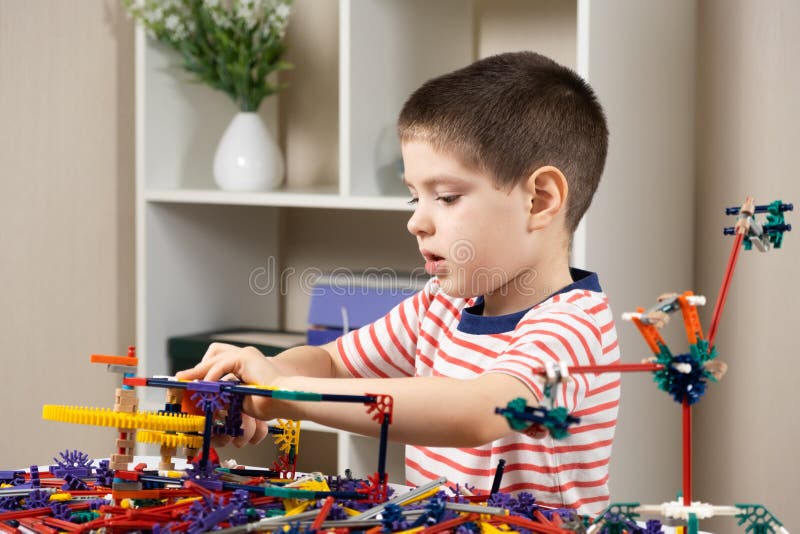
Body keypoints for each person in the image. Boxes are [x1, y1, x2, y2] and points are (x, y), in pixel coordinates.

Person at [177, 51, 620, 516]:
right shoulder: (440, 307)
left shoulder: (574, 327)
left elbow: (478, 409)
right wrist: (263, 377)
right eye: (414, 196)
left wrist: (290, 397)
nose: (416, 222)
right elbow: (330, 362)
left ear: (540, 200)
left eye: (446, 197)